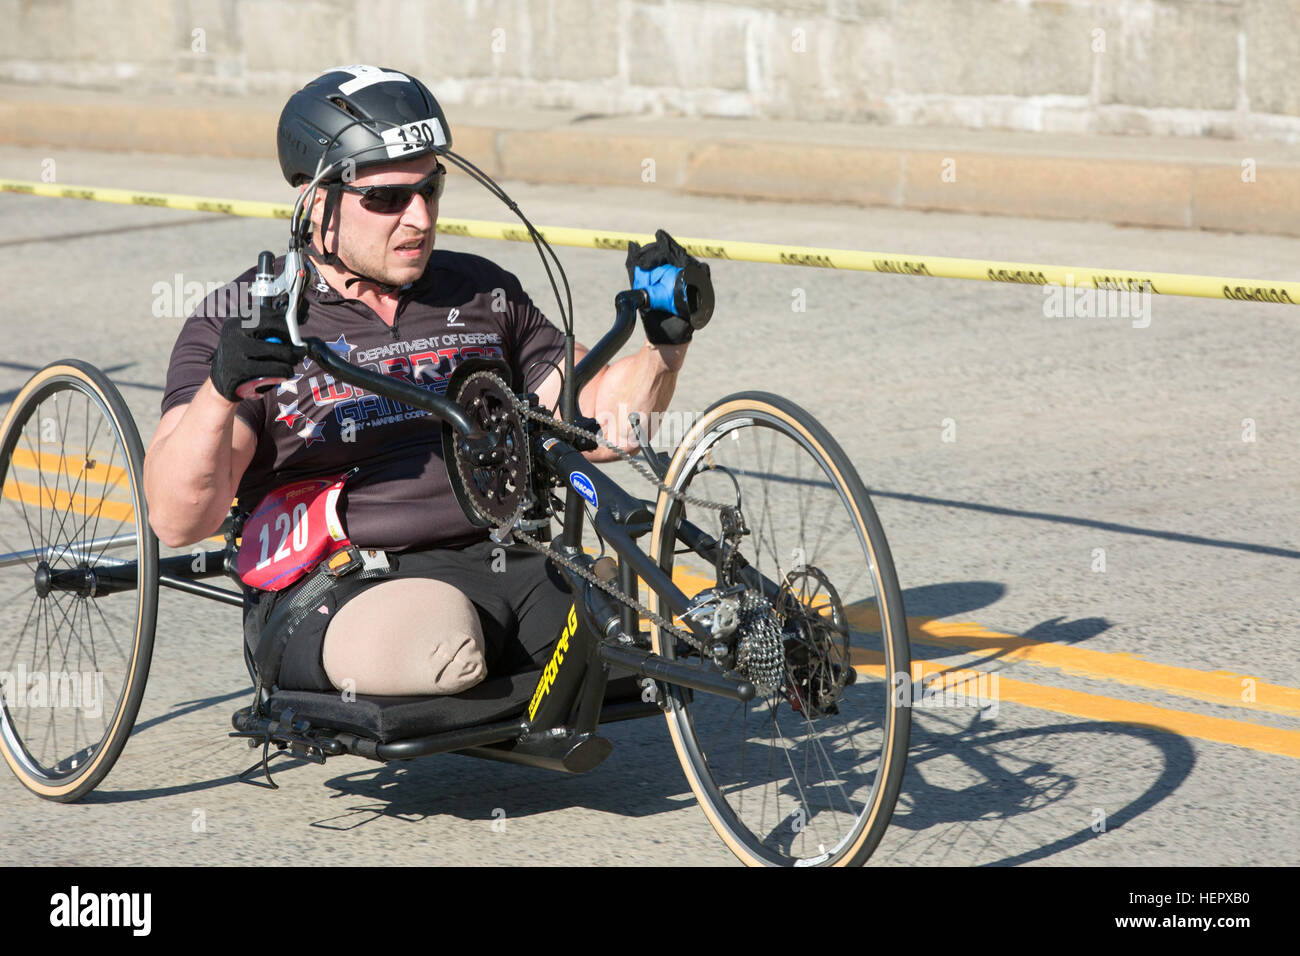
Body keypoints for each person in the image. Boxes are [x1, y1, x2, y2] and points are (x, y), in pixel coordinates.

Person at [144, 65, 710, 698]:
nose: (418, 217)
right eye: (386, 199)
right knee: (446, 649)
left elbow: (601, 421)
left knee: (659, 642)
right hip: (346, 581)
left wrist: (667, 344)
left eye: (430, 190)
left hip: (507, 554)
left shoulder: (479, 288)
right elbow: (175, 519)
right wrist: (223, 389)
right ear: (312, 201)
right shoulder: (247, 316)